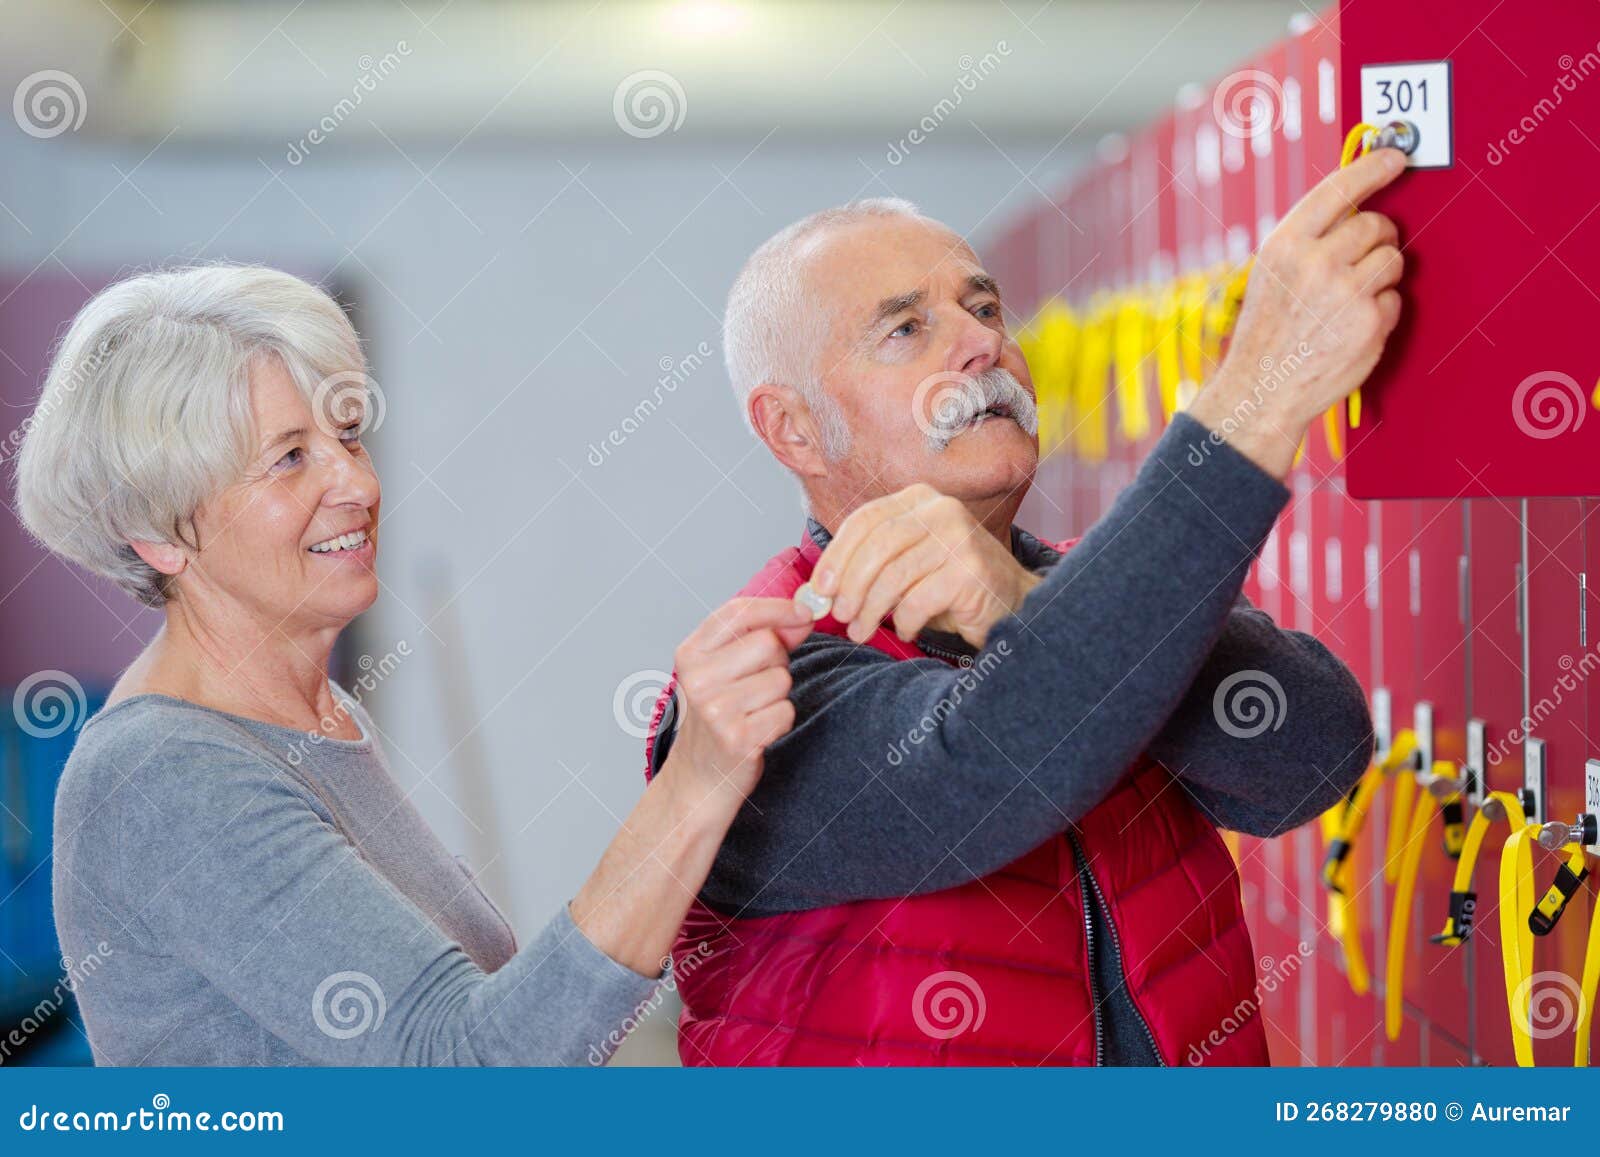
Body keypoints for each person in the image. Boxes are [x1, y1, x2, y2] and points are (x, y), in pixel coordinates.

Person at [644, 148, 1410, 1065]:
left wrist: (1021, 598)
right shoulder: (760, 691)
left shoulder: (1099, 590)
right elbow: (997, 761)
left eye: (982, 307)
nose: (979, 343)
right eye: (904, 330)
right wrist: (1259, 396)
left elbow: (1313, 757)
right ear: (794, 428)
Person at [13, 264, 810, 1065]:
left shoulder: (315, 721)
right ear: (158, 532)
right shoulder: (165, 774)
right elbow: (467, 1077)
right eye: (290, 457)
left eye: (348, 435)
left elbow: (494, 1026)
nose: (357, 482)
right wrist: (693, 788)